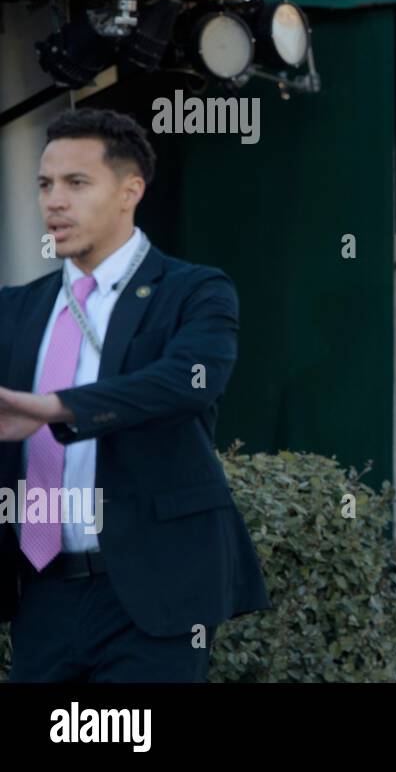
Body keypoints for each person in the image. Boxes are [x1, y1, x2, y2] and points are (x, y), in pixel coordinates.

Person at [0, 108, 269, 682]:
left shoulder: (193, 290)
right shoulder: (16, 308)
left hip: (151, 598)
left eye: (76, 183)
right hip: (40, 598)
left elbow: (187, 381)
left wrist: (60, 407)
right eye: (45, 185)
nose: (54, 201)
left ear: (130, 191)